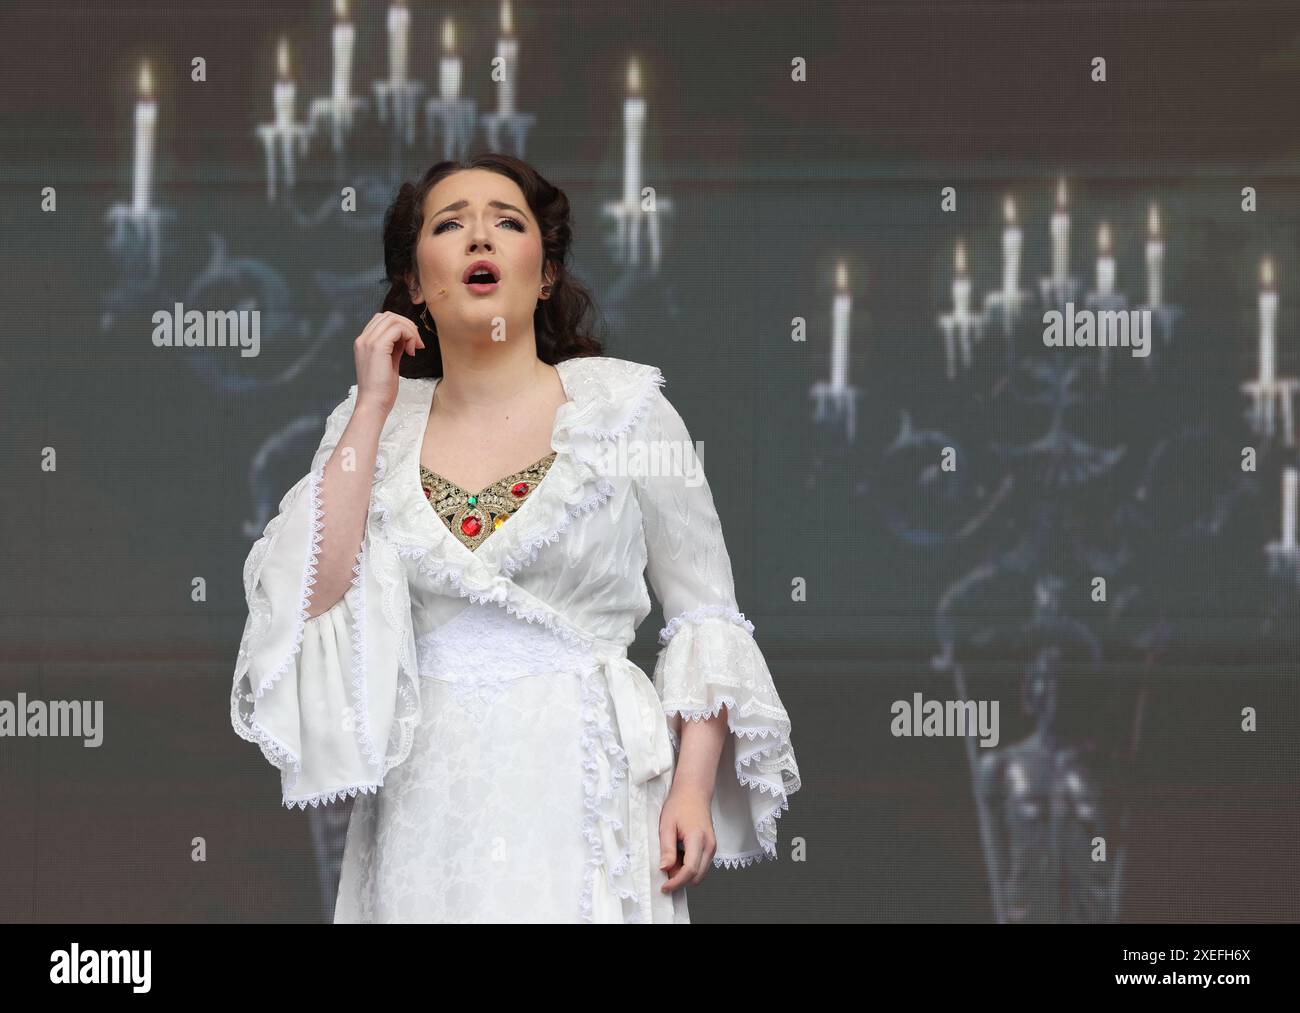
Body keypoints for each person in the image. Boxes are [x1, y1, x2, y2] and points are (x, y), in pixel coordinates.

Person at [230, 153, 800, 923]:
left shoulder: (626, 410)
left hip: (584, 782)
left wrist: (692, 788)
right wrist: (371, 403)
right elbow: (315, 593)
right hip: (425, 804)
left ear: (546, 272)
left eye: (506, 221)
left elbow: (706, 613)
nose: (478, 239)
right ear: (413, 283)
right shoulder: (373, 428)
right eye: (448, 224)